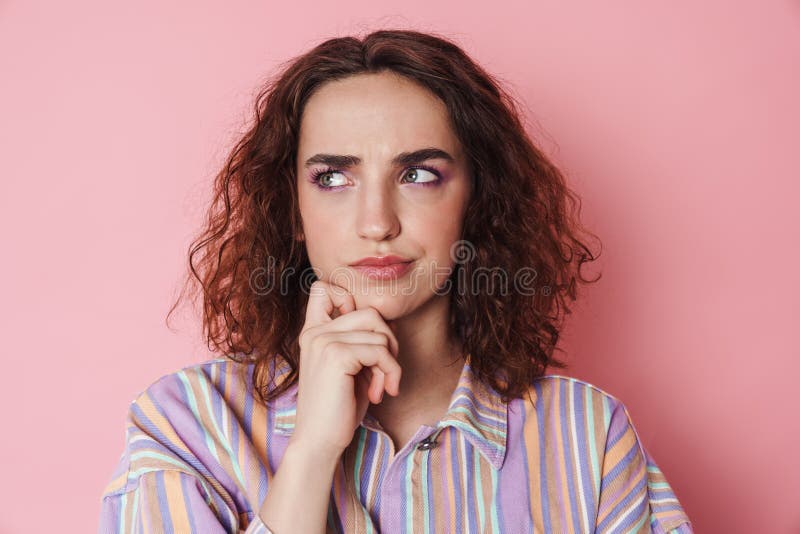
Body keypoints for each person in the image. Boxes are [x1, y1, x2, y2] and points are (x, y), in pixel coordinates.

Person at [98, 29, 693, 533]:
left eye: (418, 173)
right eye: (333, 178)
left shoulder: (588, 436)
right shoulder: (185, 425)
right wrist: (310, 454)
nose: (376, 223)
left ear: (477, 199)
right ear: (293, 210)